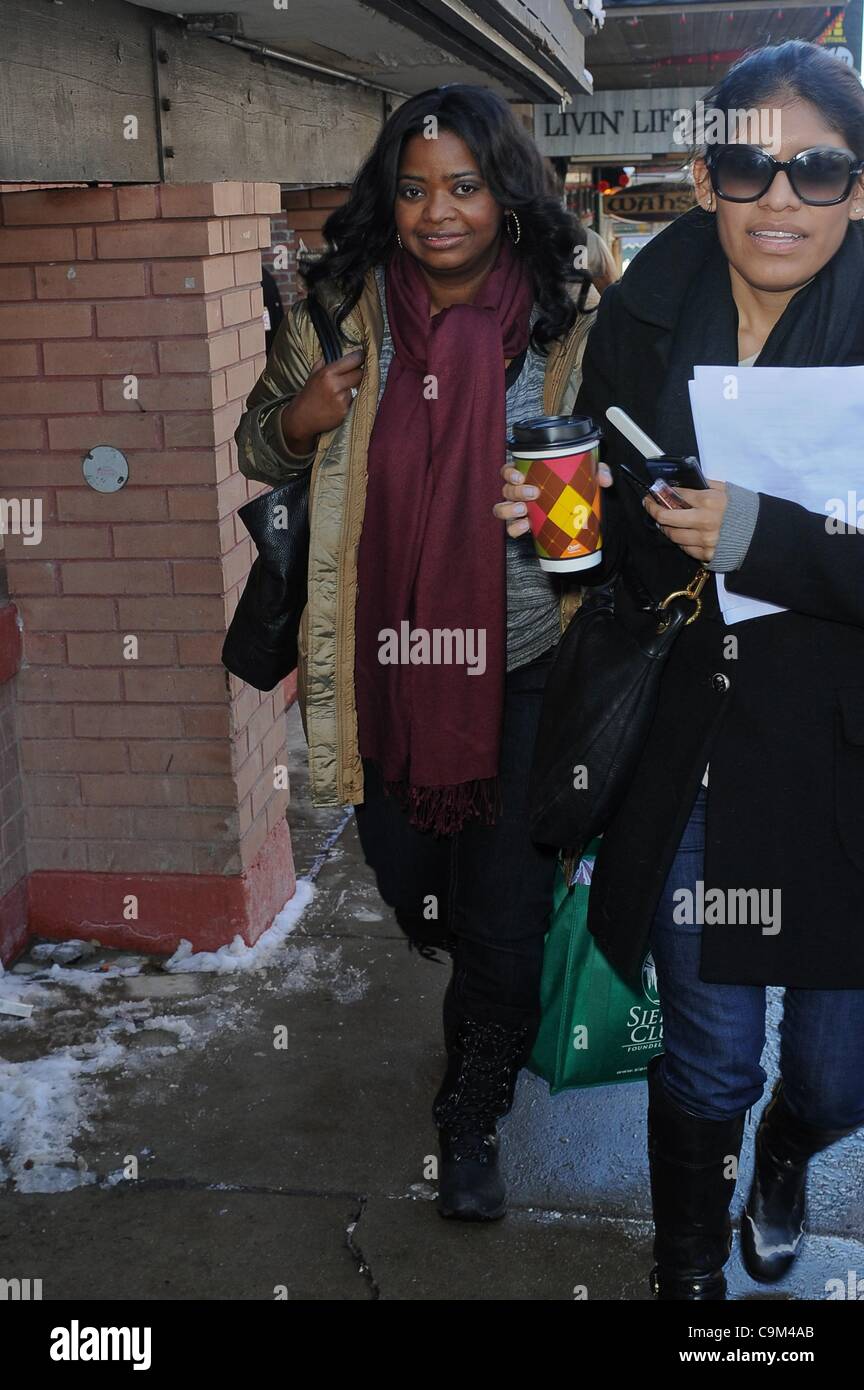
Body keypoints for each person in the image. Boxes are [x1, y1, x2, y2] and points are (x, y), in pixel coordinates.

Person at [497, 40, 864, 1298]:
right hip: (696, 740)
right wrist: (565, 521)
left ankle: (789, 1155)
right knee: (707, 1058)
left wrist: (768, 533)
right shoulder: (648, 309)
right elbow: (596, 536)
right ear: (705, 178)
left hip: (842, 757)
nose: (778, 198)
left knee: (836, 1071)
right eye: (746, 165)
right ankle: (687, 1273)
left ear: (858, 187)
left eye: (815, 170)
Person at [235, 85, 596, 1222]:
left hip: (531, 663)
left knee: (501, 918)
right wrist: (308, 420)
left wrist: (560, 514)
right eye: (414, 188)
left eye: (465, 186)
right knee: (409, 881)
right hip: (383, 668)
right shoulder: (344, 310)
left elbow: (613, 492)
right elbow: (256, 437)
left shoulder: (566, 315)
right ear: (389, 200)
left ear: (507, 193)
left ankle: (471, 1104)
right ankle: (474, 957)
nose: (438, 212)